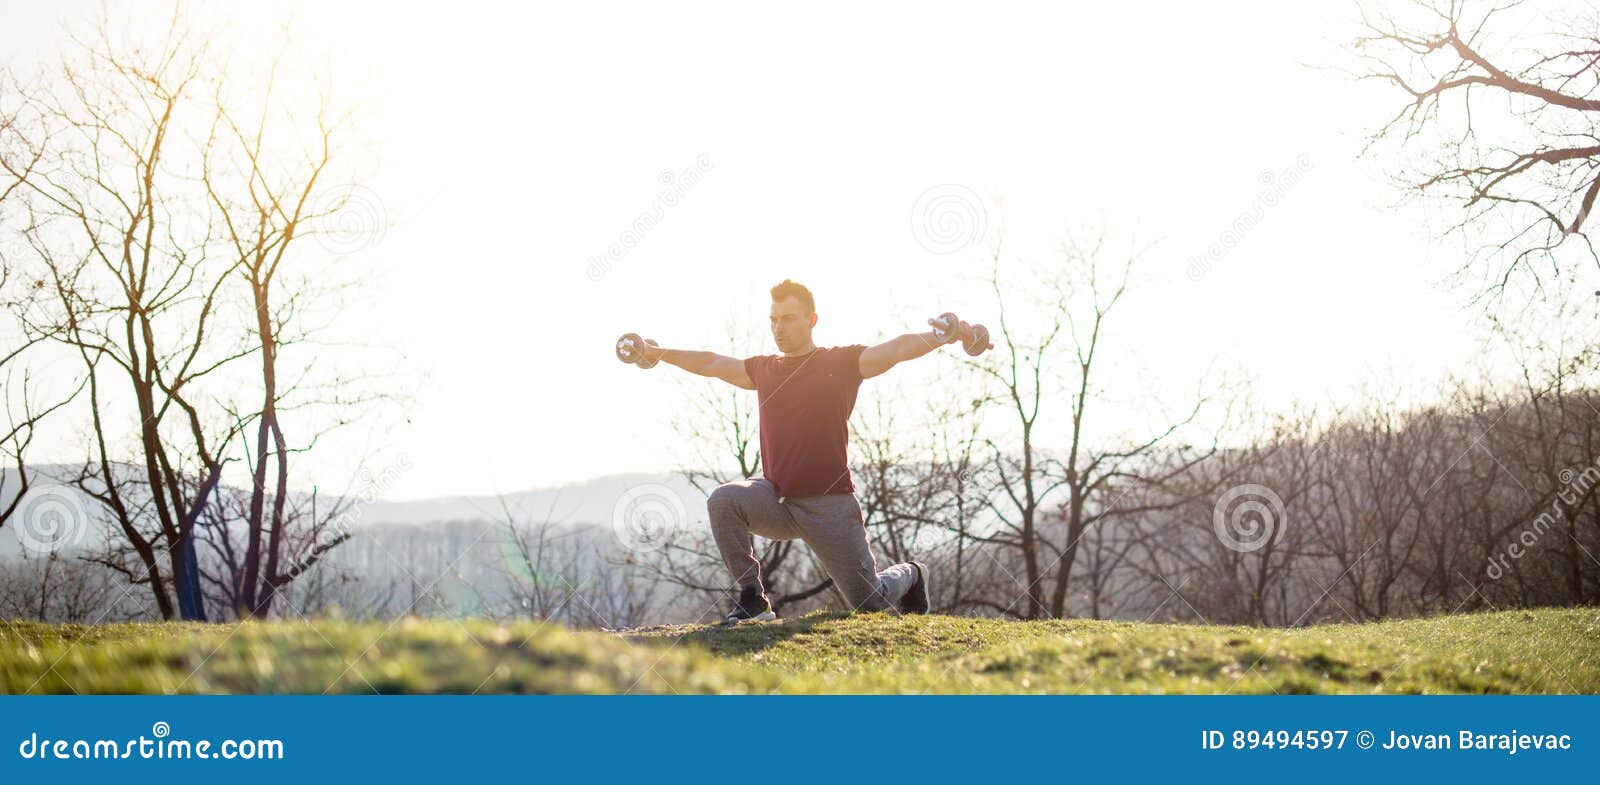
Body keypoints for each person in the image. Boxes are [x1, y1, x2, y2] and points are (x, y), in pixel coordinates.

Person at [639, 279, 956, 623]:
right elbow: (714, 363)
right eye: (773, 319)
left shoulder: (841, 363)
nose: (779, 328)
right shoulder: (764, 369)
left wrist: (939, 336)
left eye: (788, 318)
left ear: (812, 320)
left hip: (828, 505)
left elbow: (893, 350)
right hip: (775, 498)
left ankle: (912, 574)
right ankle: (753, 598)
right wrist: (661, 354)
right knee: (723, 500)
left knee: (869, 603)